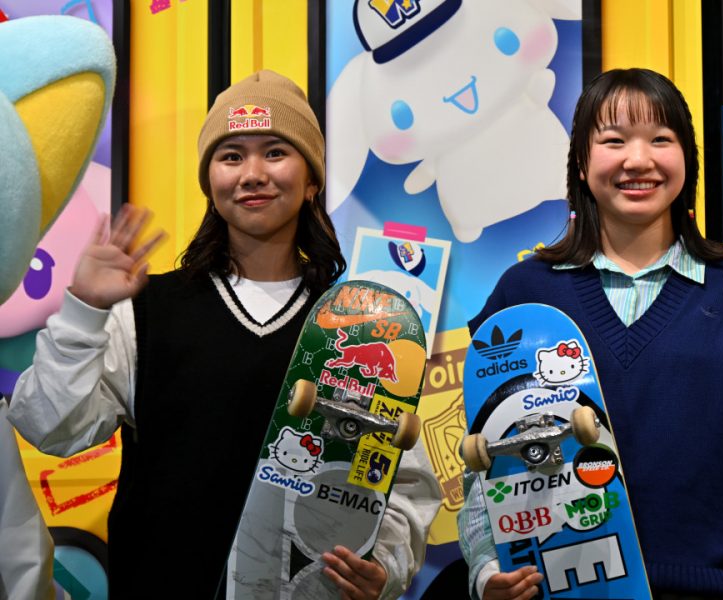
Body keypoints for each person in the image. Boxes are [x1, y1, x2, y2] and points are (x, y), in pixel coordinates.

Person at [9, 70, 441, 599]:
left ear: (311, 182)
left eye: (276, 152)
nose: (252, 173)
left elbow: (403, 484)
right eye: (231, 155)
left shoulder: (362, 329)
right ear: (209, 184)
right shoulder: (144, 309)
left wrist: (387, 567)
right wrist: (83, 311)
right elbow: (48, 427)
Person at [458, 68, 723, 599]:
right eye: (613, 141)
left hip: (716, 590)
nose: (639, 159)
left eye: (661, 139)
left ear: (686, 161)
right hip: (565, 590)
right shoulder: (525, 292)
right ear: (582, 166)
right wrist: (485, 568)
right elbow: (485, 460)